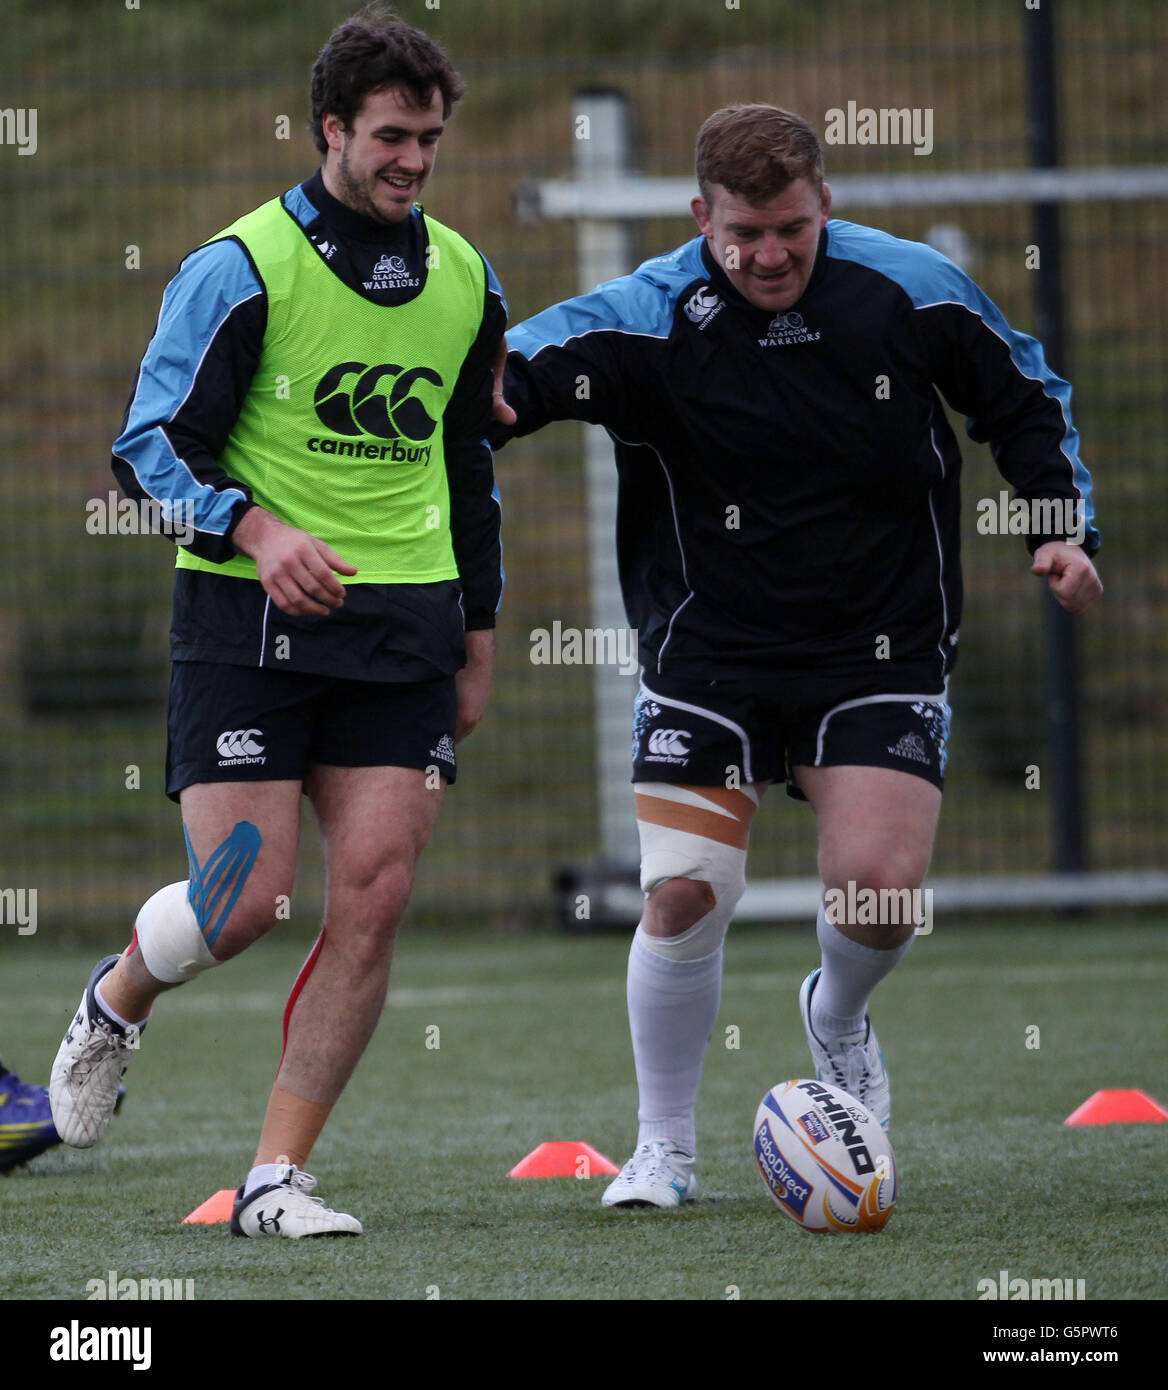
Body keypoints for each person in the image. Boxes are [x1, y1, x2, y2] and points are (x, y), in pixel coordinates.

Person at [490, 104, 1102, 1207]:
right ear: (700, 218)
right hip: (706, 648)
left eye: (790, 229)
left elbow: (1024, 399)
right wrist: (453, 406)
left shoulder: (909, 291)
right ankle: (663, 1149)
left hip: (878, 645)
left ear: (824, 206)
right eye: (742, 234)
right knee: (682, 890)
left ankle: (837, 1017)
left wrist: (1059, 523)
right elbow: (511, 378)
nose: (768, 254)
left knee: (877, 892)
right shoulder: (648, 313)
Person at [49, 6, 506, 1237]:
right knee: (243, 900)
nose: (413, 161)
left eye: (430, 139)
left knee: (376, 892)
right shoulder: (240, 265)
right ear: (331, 131)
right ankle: (117, 999)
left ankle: (275, 1179)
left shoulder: (465, 277)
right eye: (392, 137)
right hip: (248, 619)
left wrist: (479, 632)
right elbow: (146, 449)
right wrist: (256, 529)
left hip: (406, 625)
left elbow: (468, 469)